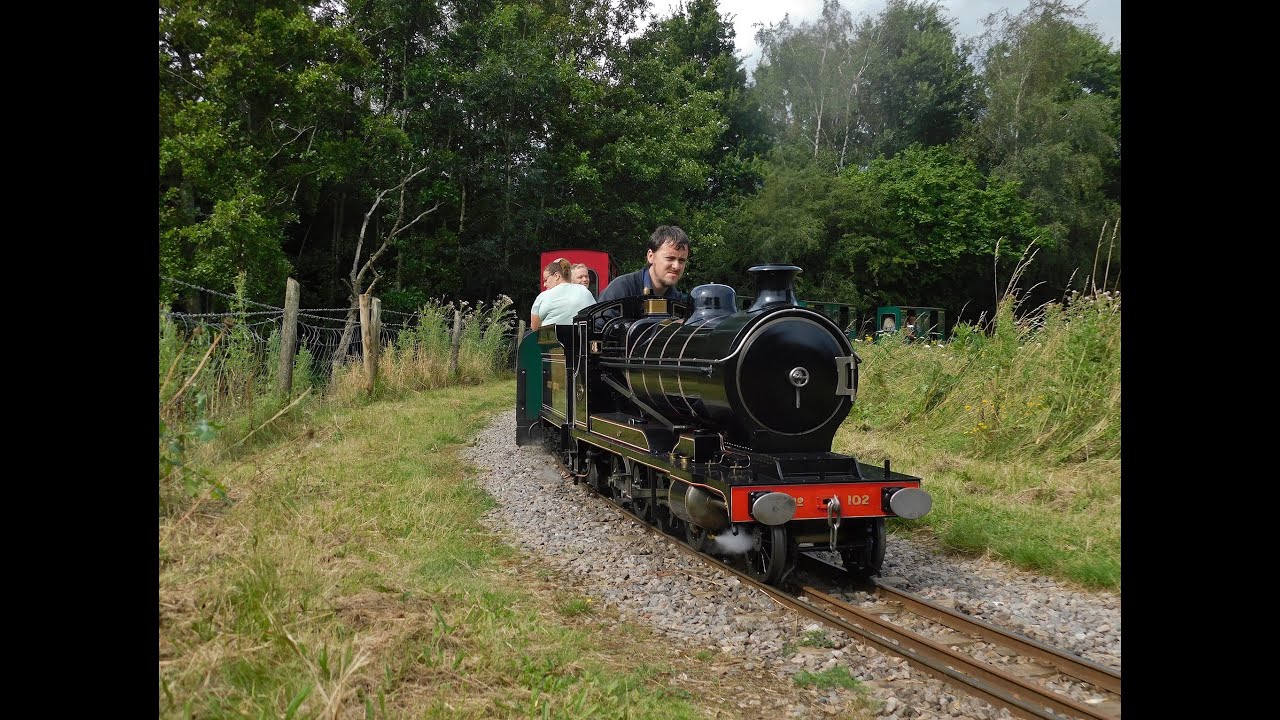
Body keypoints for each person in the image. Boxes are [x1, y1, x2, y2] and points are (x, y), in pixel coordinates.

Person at [598, 225, 691, 303]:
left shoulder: (680, 302)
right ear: (651, 256)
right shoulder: (621, 290)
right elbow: (599, 324)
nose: (676, 266)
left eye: (682, 260)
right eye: (670, 258)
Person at [530, 259, 596, 330]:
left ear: (557, 276)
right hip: (581, 339)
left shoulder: (543, 296)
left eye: (546, 280)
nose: (544, 284)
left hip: (552, 340)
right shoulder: (585, 291)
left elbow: (535, 328)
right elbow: (595, 316)